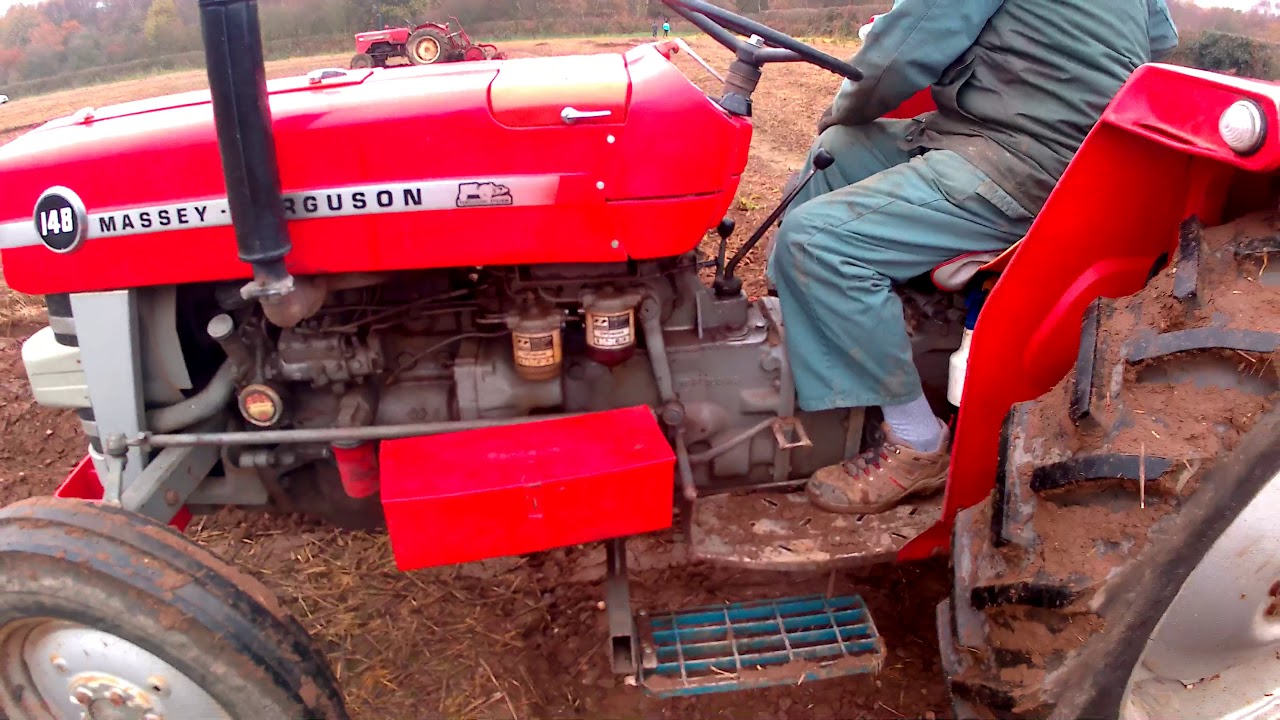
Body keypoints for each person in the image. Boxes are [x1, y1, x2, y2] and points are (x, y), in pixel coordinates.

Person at [766, 0, 1179, 515]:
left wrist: (842, 105)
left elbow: (897, 56)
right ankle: (797, 333)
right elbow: (1160, 42)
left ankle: (916, 442)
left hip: (1023, 162)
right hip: (1006, 141)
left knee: (816, 240)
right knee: (837, 151)